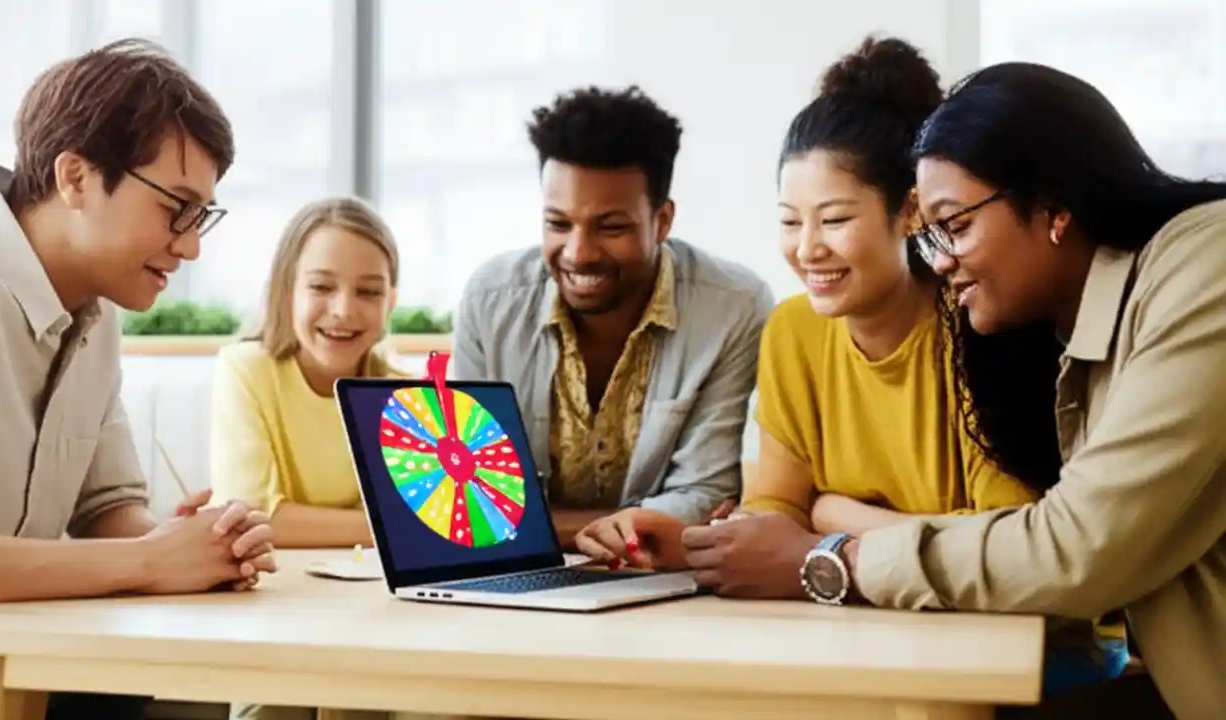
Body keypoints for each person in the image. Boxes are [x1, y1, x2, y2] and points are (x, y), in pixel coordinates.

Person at [574, 38, 1124, 696]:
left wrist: (834, 516)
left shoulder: (982, 326)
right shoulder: (793, 332)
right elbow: (777, 510)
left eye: (834, 219)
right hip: (866, 633)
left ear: (910, 211)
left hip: (1027, 653)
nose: (808, 249)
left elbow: (1003, 544)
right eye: (788, 221)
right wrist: (694, 543)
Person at [675, 63, 1226, 718]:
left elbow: (1073, 548)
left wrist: (829, 554)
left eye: (954, 226)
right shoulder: (1078, 326)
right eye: (933, 233)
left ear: (1053, 207)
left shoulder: (1204, 270)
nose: (937, 260)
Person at [0, 39, 276, 720]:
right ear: (75, 178)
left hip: (12, 651)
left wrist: (195, 547)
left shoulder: (94, 307)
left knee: (219, 699)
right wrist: (149, 563)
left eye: (201, 216)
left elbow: (107, 509)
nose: (189, 245)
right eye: (174, 208)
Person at [452, 86, 774, 546]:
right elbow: (472, 496)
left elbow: (708, 493)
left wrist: (532, 525)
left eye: (611, 227)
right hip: (519, 571)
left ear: (662, 221)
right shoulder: (490, 300)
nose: (579, 253)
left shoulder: (734, 308)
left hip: (665, 583)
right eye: (558, 224)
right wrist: (626, 525)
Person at [211, 197, 406, 550]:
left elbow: (426, 513)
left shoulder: (405, 390)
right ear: (286, 292)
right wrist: (389, 525)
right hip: (271, 587)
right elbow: (248, 516)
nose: (344, 310)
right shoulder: (246, 369)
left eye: (368, 292)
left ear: (389, 303)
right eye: (321, 287)